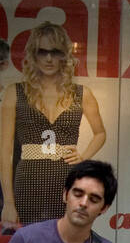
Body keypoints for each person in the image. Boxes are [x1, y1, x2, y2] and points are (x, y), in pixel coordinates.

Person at [0, 23, 107, 228]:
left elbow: (100, 133)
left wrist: (84, 156)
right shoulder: (15, 93)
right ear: (33, 55)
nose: (49, 59)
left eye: (55, 52)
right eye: (42, 52)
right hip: (28, 182)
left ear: (64, 55)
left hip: (66, 181)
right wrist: (8, 202)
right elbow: (4, 153)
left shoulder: (82, 94)